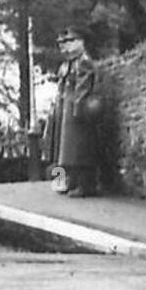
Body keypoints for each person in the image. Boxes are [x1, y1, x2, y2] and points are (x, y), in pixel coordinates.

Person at [51, 26, 102, 197]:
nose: (67, 46)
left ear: (81, 42)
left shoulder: (84, 61)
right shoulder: (69, 63)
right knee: (68, 151)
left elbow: (83, 87)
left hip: (77, 109)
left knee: (80, 150)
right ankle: (70, 181)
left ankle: (85, 185)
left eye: (71, 41)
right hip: (67, 108)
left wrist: (78, 109)